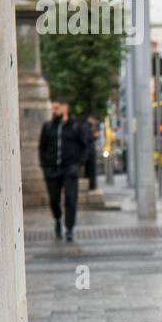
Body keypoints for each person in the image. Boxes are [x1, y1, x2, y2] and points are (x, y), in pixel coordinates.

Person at [38, 97, 92, 243]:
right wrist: (44, 166)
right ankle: (57, 219)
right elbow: (42, 148)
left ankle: (69, 228)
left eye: (57, 108)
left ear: (65, 107)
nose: (54, 111)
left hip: (70, 170)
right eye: (53, 108)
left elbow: (85, 147)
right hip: (52, 170)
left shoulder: (75, 126)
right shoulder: (48, 127)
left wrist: (78, 165)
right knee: (54, 200)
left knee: (70, 198)